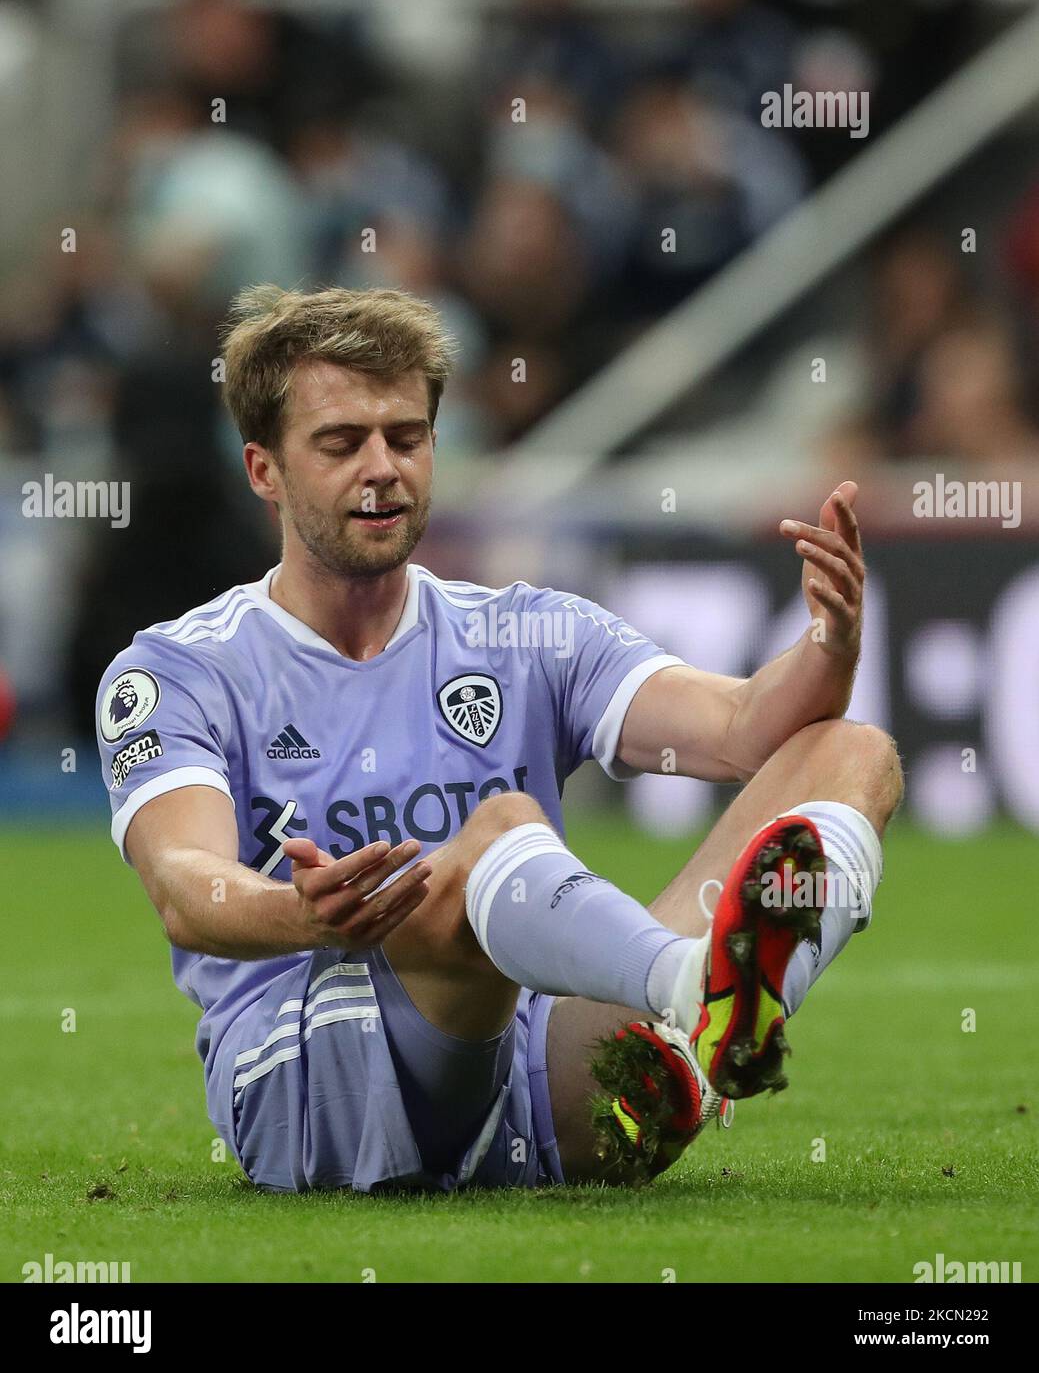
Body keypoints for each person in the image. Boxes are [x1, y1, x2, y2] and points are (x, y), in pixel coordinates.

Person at [94, 285, 902, 1192]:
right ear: (262, 470)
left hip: (527, 1080)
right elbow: (186, 887)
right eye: (340, 443)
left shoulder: (526, 631)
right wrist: (300, 916)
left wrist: (829, 648)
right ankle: (695, 993)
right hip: (307, 1082)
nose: (382, 468)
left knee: (850, 754)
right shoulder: (176, 671)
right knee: (496, 832)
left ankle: (704, 1026)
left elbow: (743, 730)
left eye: (405, 438)